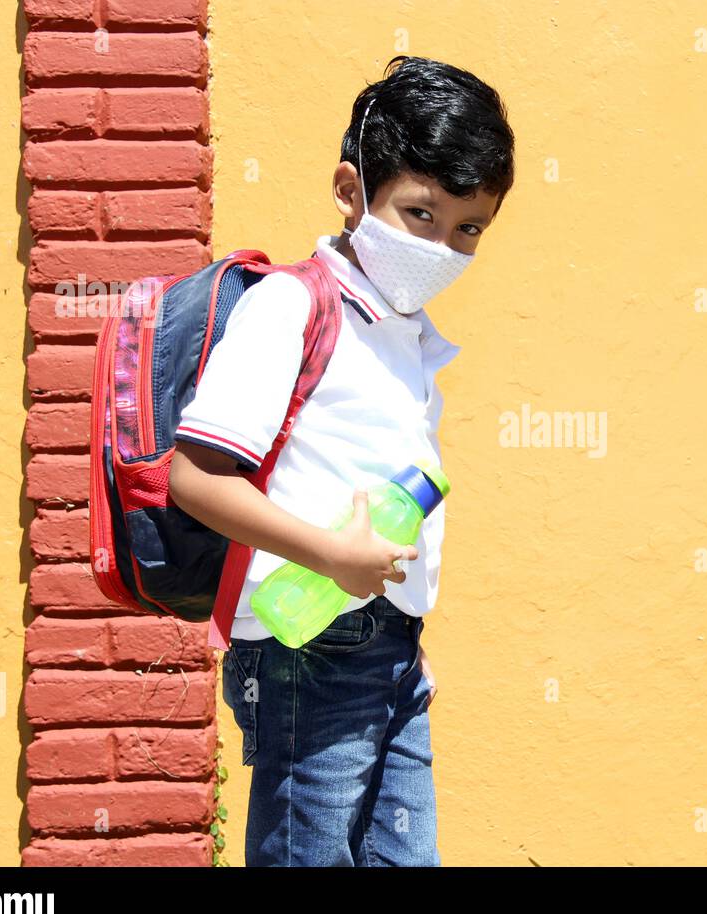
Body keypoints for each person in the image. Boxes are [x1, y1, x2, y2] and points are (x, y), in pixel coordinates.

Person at [168, 55, 516, 866]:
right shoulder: (292, 306)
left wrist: (398, 625)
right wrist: (332, 555)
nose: (443, 246)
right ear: (350, 188)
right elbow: (195, 476)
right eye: (420, 214)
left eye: (468, 228)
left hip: (387, 645)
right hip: (307, 650)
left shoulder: (408, 334)